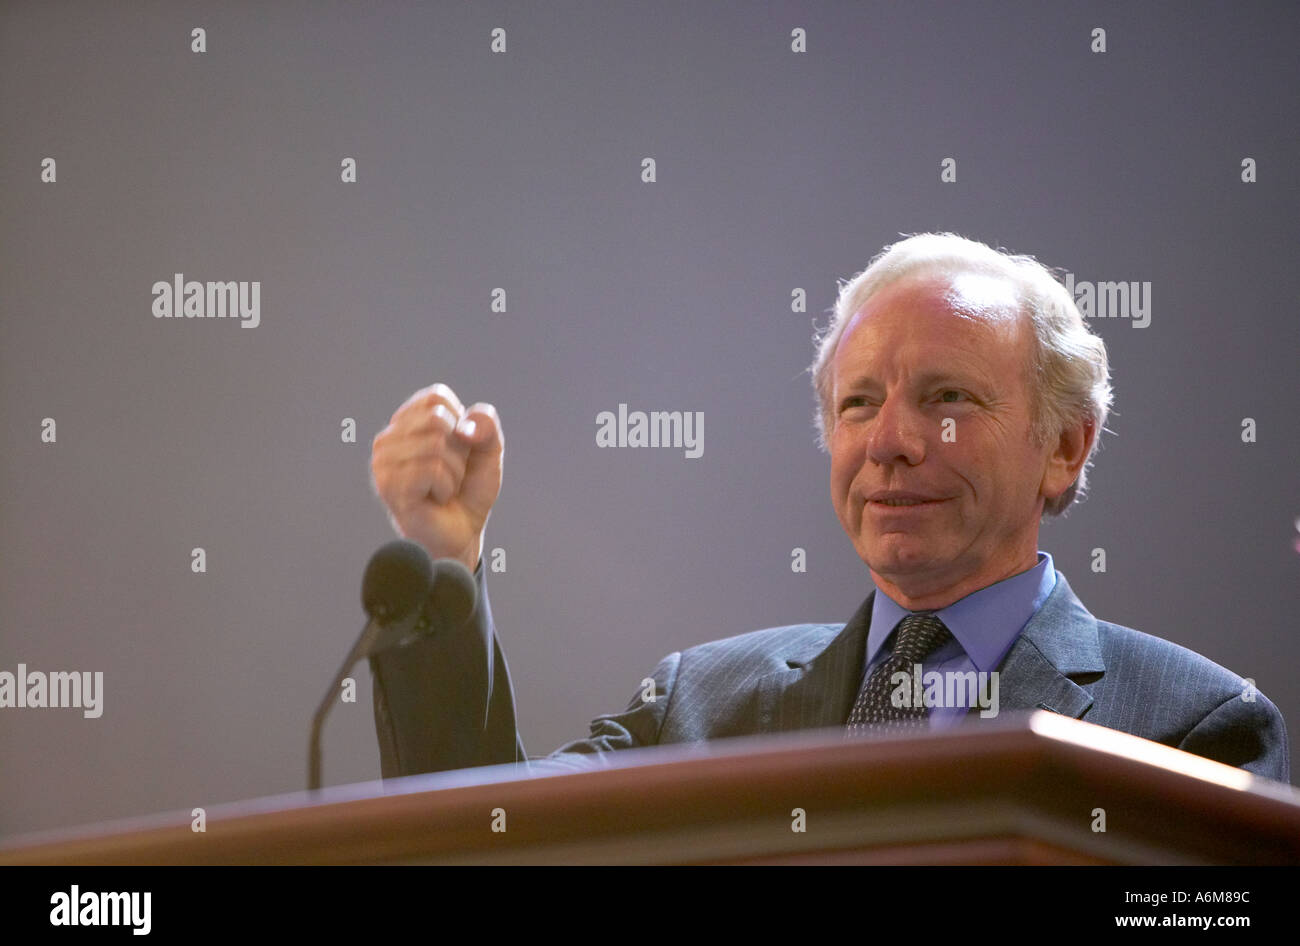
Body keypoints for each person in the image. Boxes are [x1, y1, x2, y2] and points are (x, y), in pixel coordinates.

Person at [366, 233, 1289, 783]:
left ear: (1063, 446)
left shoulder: (1194, 728)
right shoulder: (699, 702)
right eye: (857, 403)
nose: (889, 439)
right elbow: (488, 841)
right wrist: (446, 567)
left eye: (948, 400)